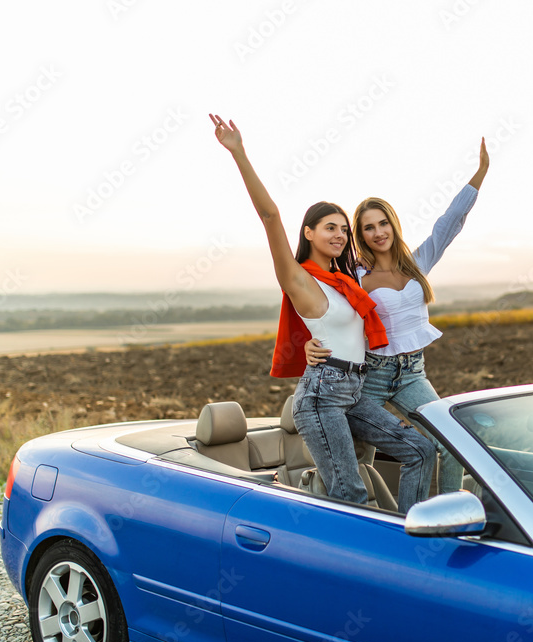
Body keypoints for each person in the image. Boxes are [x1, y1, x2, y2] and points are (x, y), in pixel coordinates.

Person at [210, 113, 435, 513]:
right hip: (321, 396)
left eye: (344, 229)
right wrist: (239, 153)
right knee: (350, 494)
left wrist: (314, 345)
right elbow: (270, 216)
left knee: (420, 449)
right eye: (329, 227)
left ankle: (412, 542)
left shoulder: (346, 280)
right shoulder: (298, 278)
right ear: (308, 233)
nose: (340, 235)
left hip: (354, 389)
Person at [305, 138, 490, 495]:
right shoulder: (355, 277)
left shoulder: (419, 262)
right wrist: (310, 345)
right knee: (360, 460)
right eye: (368, 228)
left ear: (393, 224)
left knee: (454, 443)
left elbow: (450, 222)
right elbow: (322, 310)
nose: (378, 232)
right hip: (369, 375)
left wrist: (479, 174)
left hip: (411, 373)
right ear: (359, 235)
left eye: (383, 223)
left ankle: (447, 520)